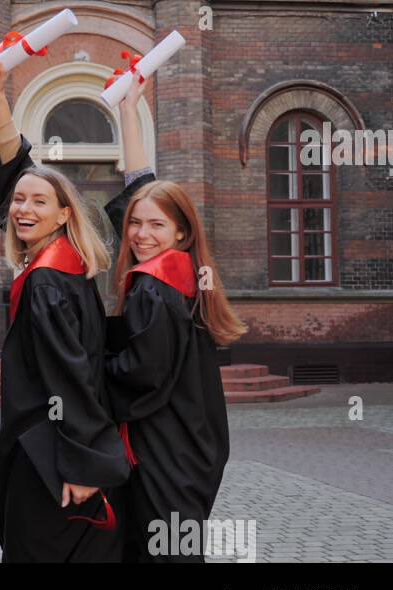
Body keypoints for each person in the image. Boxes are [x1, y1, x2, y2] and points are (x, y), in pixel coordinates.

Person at [0, 62, 130, 562]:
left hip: (51, 454)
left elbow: (71, 377)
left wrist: (83, 463)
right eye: (19, 201)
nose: (23, 208)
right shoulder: (69, 268)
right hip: (48, 446)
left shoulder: (48, 282)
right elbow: (12, 170)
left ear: (65, 213)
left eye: (38, 202)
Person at [104, 72, 248, 562]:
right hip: (195, 447)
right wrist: (128, 112)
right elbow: (143, 190)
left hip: (163, 452)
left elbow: (141, 371)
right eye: (135, 225)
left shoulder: (152, 287)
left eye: (156, 226)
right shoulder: (185, 273)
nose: (141, 234)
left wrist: (89, 371)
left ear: (181, 233)